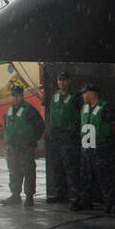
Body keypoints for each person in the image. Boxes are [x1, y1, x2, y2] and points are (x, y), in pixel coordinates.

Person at [73, 83, 115, 213]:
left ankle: (109, 202)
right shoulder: (84, 107)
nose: (83, 95)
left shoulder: (105, 107)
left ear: (92, 93)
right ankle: (85, 201)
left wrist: (105, 141)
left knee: (104, 176)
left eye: (85, 93)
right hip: (86, 146)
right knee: (85, 176)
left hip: (100, 147)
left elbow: (114, 126)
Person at [1, 83, 44, 207]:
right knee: (13, 171)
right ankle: (15, 195)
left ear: (22, 96)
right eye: (13, 96)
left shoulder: (29, 110)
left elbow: (40, 126)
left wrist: (33, 141)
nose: (15, 98)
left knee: (28, 171)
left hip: (25, 147)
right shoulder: (9, 110)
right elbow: (6, 125)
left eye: (18, 96)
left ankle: (29, 196)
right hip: (12, 147)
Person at [44, 70, 81, 204]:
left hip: (69, 135)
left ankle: (76, 196)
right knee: (57, 165)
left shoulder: (75, 96)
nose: (61, 82)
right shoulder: (55, 95)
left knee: (71, 167)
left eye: (64, 80)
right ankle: (60, 193)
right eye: (59, 80)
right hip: (56, 135)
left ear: (69, 81)